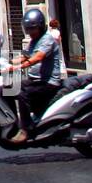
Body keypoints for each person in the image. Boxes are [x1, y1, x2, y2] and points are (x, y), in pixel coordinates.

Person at [9, 8, 63, 143]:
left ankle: (26, 129)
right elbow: (25, 56)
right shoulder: (34, 41)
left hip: (48, 82)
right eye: (28, 29)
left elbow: (37, 57)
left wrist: (17, 67)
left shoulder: (47, 39)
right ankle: (12, 123)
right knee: (8, 88)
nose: (30, 32)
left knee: (21, 92)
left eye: (32, 29)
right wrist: (6, 63)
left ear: (40, 26)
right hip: (36, 80)